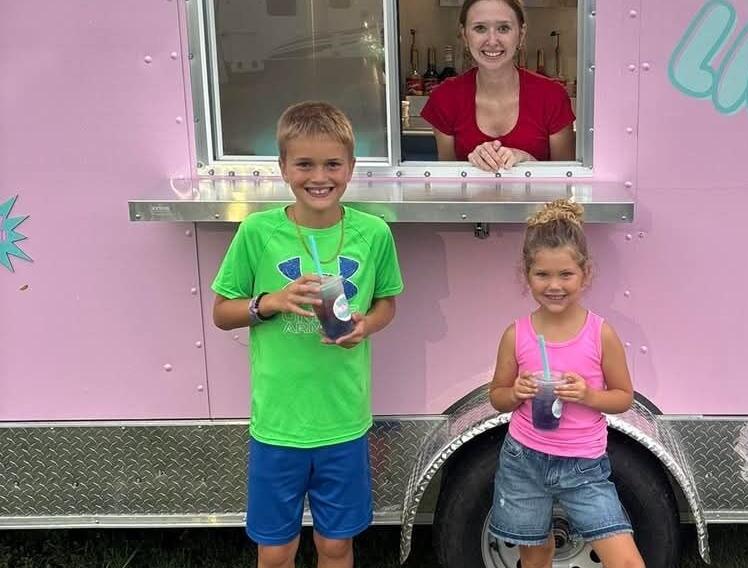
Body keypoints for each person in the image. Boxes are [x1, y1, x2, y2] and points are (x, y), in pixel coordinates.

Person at [210, 101, 404, 568]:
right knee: (276, 549)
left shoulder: (373, 233)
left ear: (351, 167)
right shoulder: (258, 232)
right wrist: (269, 303)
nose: (320, 177)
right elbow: (222, 312)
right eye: (304, 164)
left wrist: (365, 327)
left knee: (336, 545)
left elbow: (387, 304)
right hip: (279, 425)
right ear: (282, 167)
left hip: (344, 421)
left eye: (333, 164)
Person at [486, 199, 645, 568]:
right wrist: (516, 392)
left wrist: (588, 395)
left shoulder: (600, 334)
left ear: (585, 274)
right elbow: (497, 397)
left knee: (626, 562)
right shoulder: (517, 334)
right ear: (527, 275)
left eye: (565, 275)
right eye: (542, 274)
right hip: (523, 461)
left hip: (583, 467)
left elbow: (623, 398)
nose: (554, 285)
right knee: (536, 553)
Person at [421, 0, 576, 172]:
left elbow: (565, 184)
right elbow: (448, 182)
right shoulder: (445, 97)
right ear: (464, 35)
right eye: (480, 28)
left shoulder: (552, 97)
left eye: (503, 28)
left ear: (521, 34)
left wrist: (528, 161)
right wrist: (469, 165)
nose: (492, 41)